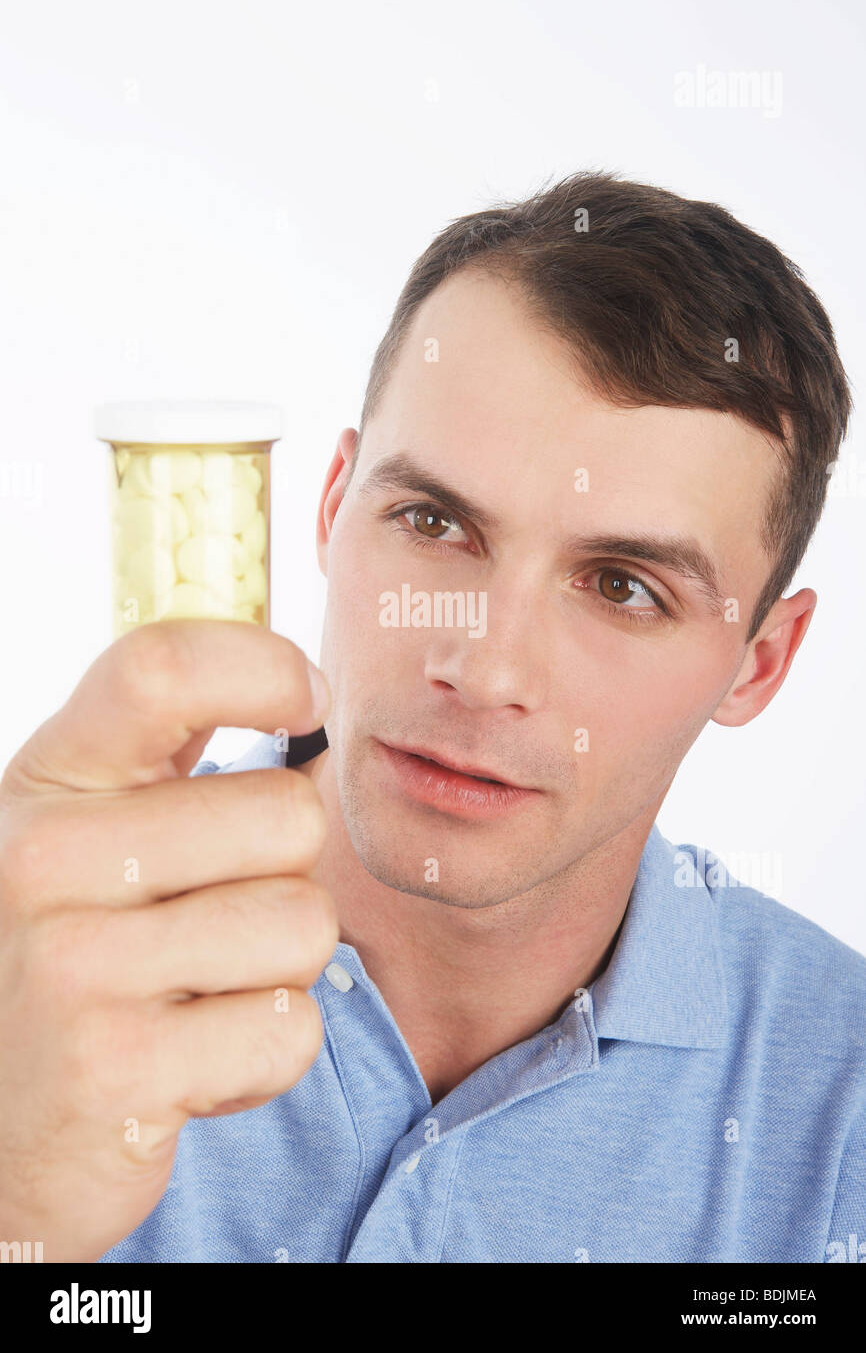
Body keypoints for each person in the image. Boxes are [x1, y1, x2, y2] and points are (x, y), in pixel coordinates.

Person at [1, 173, 863, 1265]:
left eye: (621, 586)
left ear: (759, 663)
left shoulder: (839, 1099)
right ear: (329, 506)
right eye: (433, 521)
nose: (485, 664)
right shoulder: (31, 959)